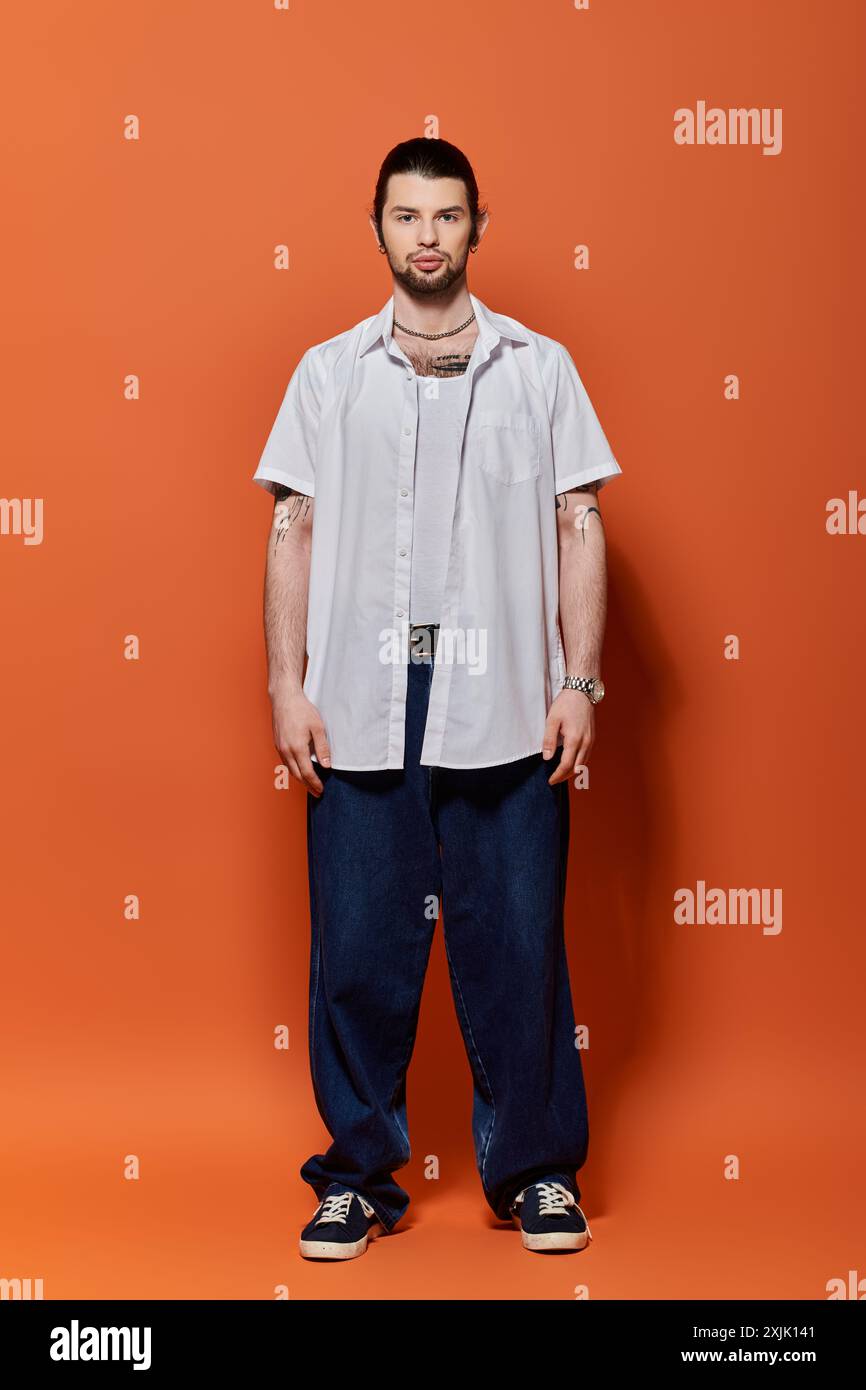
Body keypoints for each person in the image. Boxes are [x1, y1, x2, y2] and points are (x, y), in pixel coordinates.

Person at [252, 137, 621, 1260]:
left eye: (446, 216)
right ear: (378, 227)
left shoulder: (539, 366)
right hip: (363, 684)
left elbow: (579, 523)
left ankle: (536, 1171)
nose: (426, 235)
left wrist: (577, 679)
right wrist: (284, 681)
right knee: (359, 940)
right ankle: (357, 1175)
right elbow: (290, 529)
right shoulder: (328, 372)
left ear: (475, 226)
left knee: (514, 935)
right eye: (407, 216)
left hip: (501, 683)